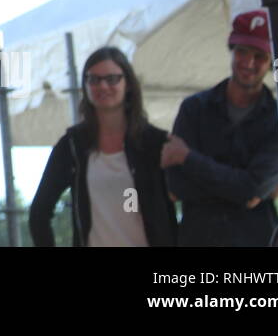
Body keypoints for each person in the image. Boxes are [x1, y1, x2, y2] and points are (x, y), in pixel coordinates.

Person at [161, 9, 278, 246]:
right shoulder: (193, 109)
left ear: (271, 62)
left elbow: (250, 189)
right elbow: (176, 186)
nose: (248, 62)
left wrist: (188, 158)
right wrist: (248, 189)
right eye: (242, 51)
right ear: (232, 50)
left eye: (259, 55)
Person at [29, 47, 176, 247]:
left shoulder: (156, 143)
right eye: (94, 80)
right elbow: (39, 213)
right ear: (85, 85)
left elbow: (189, 201)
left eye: (112, 78)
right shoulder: (72, 146)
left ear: (129, 84)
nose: (103, 86)